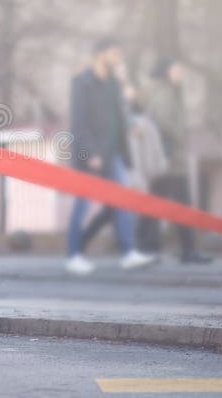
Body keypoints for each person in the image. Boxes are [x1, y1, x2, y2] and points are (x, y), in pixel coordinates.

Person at [66, 39, 157, 275]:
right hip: (91, 154)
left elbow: (120, 114)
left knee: (121, 201)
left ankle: (128, 253)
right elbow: (79, 123)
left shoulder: (114, 84)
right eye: (115, 54)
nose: (118, 59)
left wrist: (129, 126)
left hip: (113, 152)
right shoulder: (81, 83)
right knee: (82, 206)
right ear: (100, 55)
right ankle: (74, 255)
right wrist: (91, 153)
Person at [141, 58, 212, 263]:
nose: (180, 73)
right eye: (177, 70)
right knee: (182, 205)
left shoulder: (162, 92)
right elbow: (164, 122)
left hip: (165, 159)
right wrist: (180, 138)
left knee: (154, 204)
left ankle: (147, 247)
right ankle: (187, 251)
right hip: (171, 159)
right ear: (166, 72)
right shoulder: (165, 94)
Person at [81, 86, 168, 251]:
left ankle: (139, 245)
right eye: (129, 91)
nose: (133, 93)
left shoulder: (139, 115)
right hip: (121, 167)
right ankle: (137, 245)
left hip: (130, 168)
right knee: (115, 210)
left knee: (115, 210)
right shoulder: (115, 108)